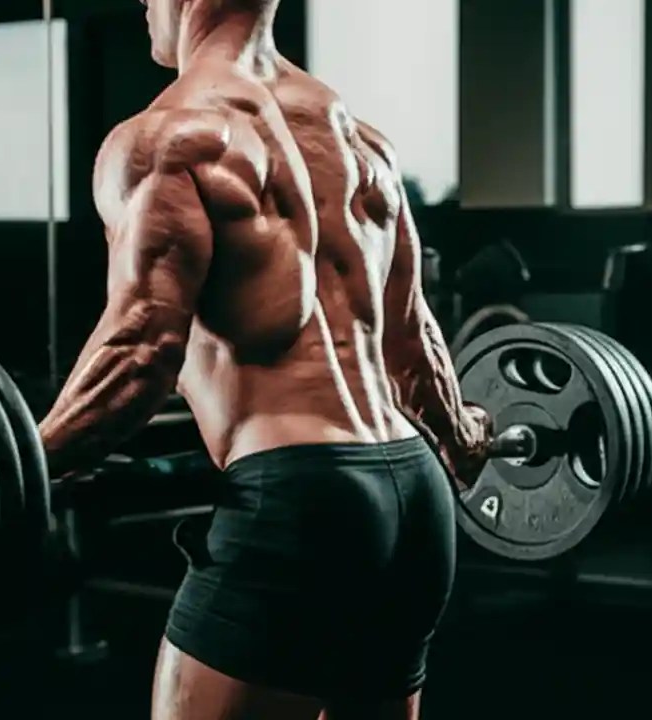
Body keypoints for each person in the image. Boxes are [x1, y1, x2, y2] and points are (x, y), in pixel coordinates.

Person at [37, 0, 492, 717]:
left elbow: (140, 352)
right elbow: (411, 339)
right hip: (415, 494)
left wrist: (15, 465)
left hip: (300, 504)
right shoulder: (358, 140)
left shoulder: (166, 139)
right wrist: (462, 436)